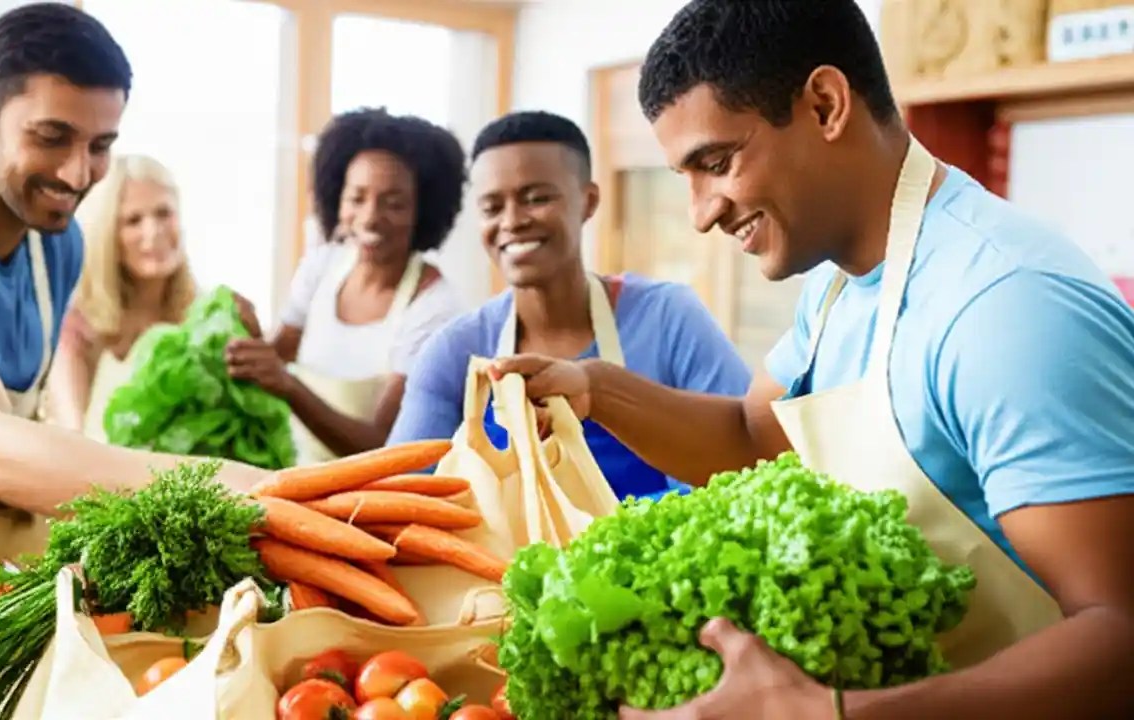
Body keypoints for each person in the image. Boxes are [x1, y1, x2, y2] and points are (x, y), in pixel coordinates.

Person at [492, 2, 1134, 718]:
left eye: (717, 163)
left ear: (826, 105)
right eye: (687, 176)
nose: (702, 211)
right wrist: (595, 389)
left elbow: (1118, 632)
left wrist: (831, 713)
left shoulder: (1007, 308)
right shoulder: (840, 280)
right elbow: (751, 439)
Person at [0, 4, 271, 648]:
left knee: (143, 587)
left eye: (100, 145)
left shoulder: (58, 244)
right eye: (51, 137)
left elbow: (17, 423)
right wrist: (220, 482)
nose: (79, 175)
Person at [388, 111, 752, 501]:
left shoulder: (668, 318)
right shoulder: (455, 351)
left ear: (588, 201)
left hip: (649, 558)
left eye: (537, 198)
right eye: (492, 207)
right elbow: (404, 496)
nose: (512, 221)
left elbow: (738, 467)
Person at [226, 107, 467, 466]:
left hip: (367, 499)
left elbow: (385, 445)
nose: (370, 217)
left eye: (394, 203)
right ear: (336, 197)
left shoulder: (435, 307)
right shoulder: (322, 267)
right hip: (289, 477)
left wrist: (289, 387)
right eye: (357, 198)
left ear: (423, 210)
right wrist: (242, 327)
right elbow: (274, 360)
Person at [43, 153, 197, 439]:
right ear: (107, 234)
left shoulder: (203, 317)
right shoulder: (76, 327)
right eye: (133, 221)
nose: (153, 232)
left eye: (164, 213)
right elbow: (72, 435)